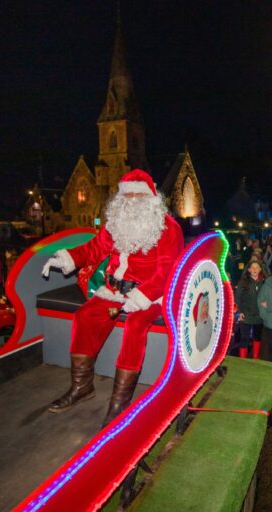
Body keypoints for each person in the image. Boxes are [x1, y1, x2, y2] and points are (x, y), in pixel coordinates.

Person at [41, 169, 184, 425]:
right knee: (85, 316)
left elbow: (167, 272)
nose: (131, 200)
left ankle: (119, 402)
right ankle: (82, 386)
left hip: (152, 295)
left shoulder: (167, 228)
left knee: (135, 325)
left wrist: (141, 296)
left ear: (150, 197)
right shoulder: (115, 225)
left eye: (137, 195)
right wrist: (68, 257)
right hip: (115, 291)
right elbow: (94, 249)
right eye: (126, 195)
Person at [235, 260, 266, 359]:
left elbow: (269, 296)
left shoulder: (264, 282)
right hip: (246, 315)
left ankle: (255, 358)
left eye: (257, 268)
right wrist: (239, 312)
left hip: (259, 315)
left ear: (260, 269)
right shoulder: (243, 282)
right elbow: (237, 298)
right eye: (253, 268)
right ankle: (242, 360)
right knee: (244, 338)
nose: (255, 270)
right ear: (249, 270)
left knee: (257, 337)